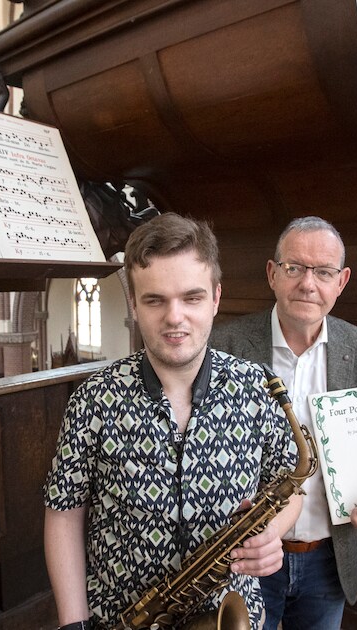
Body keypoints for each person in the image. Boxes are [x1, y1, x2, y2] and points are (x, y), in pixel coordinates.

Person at [44, 213, 302, 630]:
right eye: (155, 299)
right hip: (120, 618)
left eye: (192, 297)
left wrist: (271, 533)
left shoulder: (259, 387)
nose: (175, 317)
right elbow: (64, 513)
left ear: (216, 298)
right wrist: (74, 624)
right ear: (133, 303)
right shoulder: (92, 398)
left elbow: (289, 488)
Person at [211, 217, 357, 630]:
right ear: (273, 274)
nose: (309, 284)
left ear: (341, 282)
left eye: (323, 272)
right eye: (295, 268)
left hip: (328, 559)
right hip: (246, 556)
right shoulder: (226, 345)